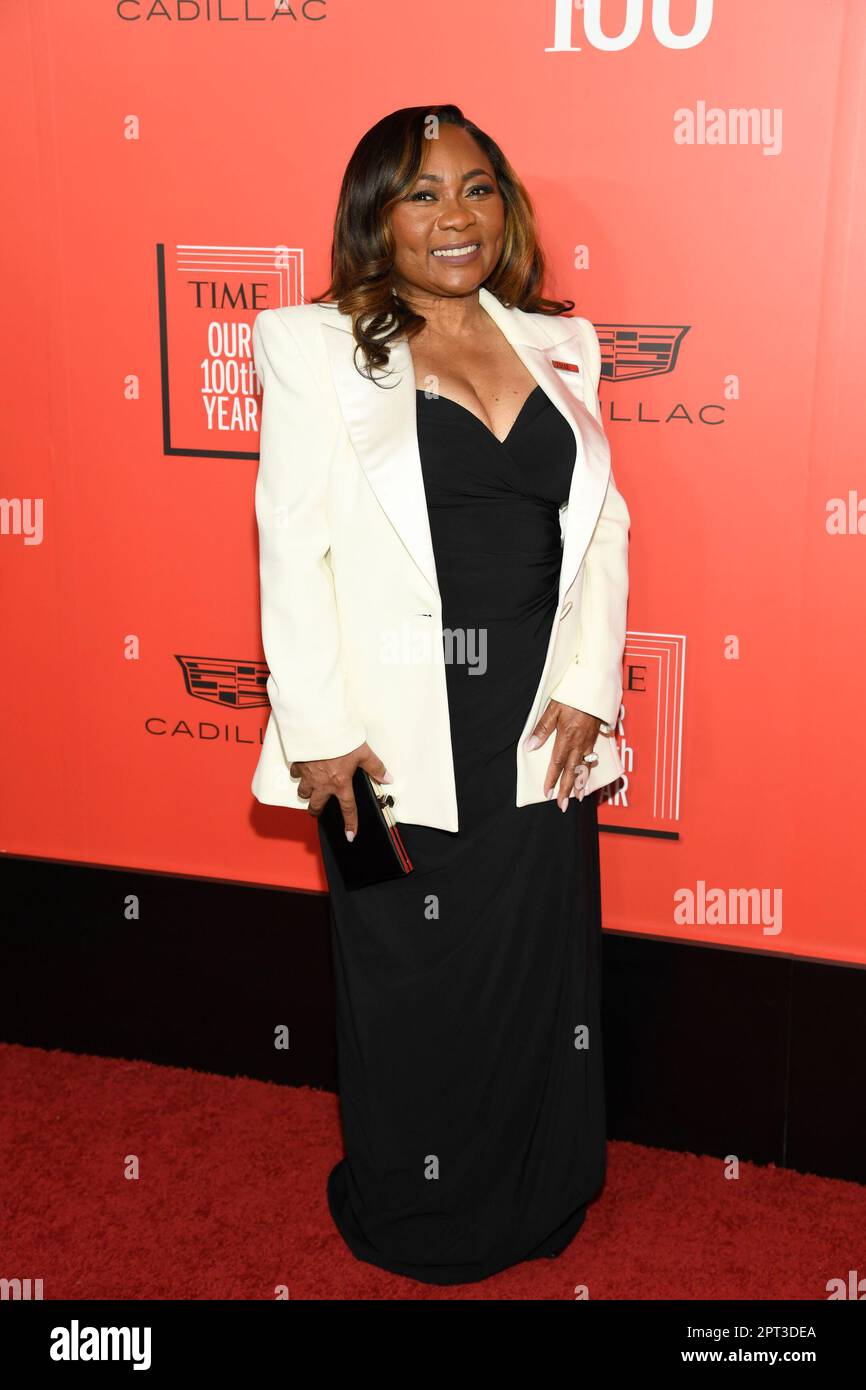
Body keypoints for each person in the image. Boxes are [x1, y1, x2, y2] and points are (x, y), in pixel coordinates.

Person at [251, 104, 630, 1285]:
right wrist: (318, 736)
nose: (453, 216)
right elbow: (287, 545)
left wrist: (585, 683)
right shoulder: (314, 346)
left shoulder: (559, 344)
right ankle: (423, 1211)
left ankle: (537, 1184)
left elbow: (604, 528)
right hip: (388, 732)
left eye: (475, 188)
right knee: (406, 976)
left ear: (504, 208)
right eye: (421, 194)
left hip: (536, 723)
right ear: (377, 214)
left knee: (534, 968)